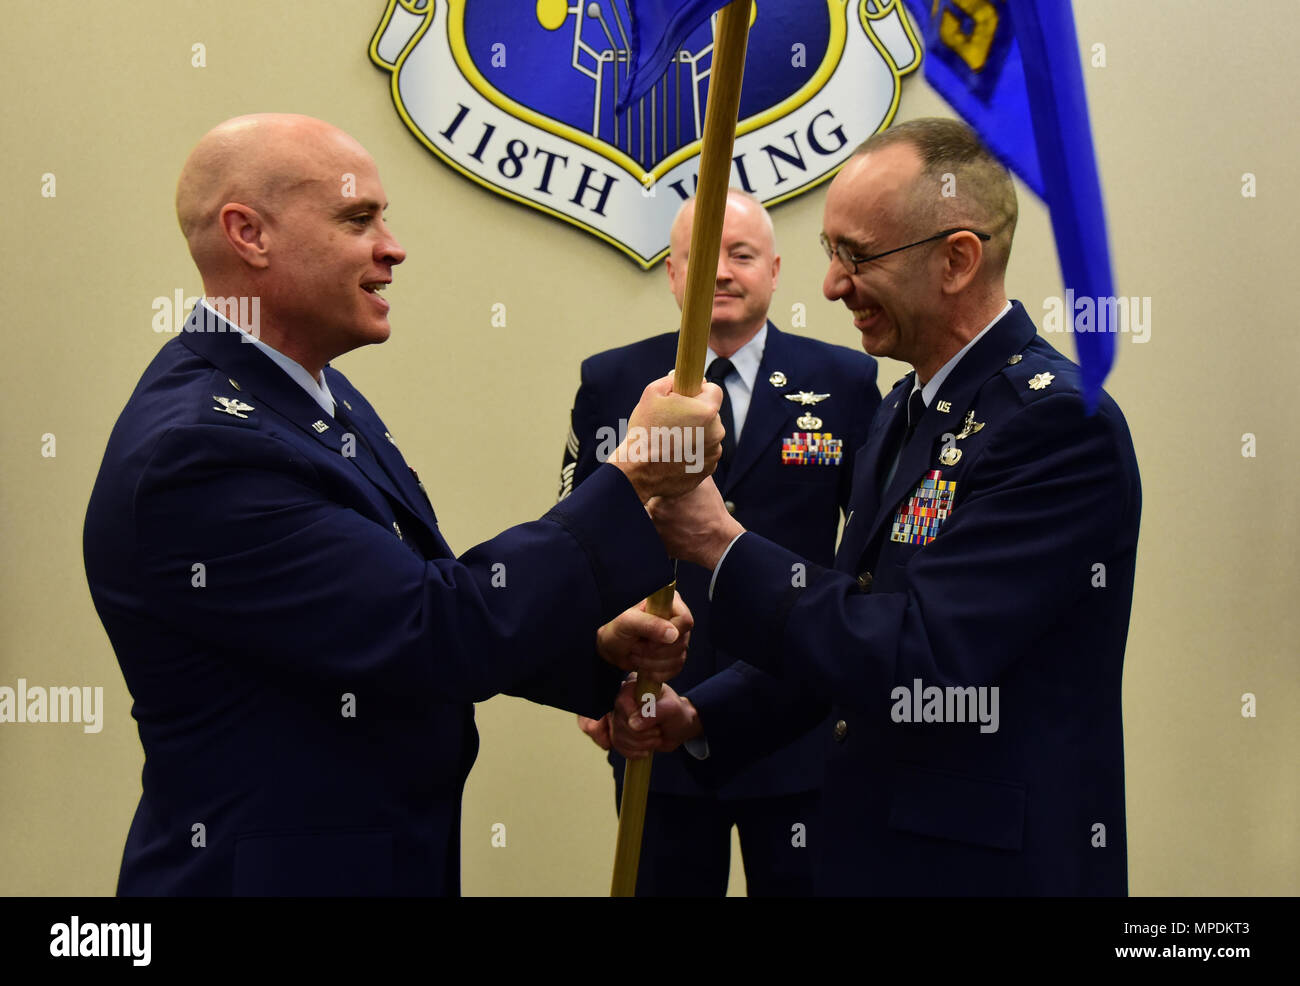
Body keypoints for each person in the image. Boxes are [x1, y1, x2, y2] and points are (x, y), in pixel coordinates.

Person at [82, 113, 722, 896]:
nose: (393, 248)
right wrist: (634, 474)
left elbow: (380, 617)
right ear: (249, 234)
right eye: (358, 219)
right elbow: (432, 630)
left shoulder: (313, 395)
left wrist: (592, 649)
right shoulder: (201, 449)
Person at [614, 118, 1142, 896]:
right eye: (831, 253)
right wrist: (703, 716)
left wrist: (723, 545)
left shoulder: (1058, 425)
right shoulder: (904, 410)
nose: (832, 285)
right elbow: (853, 624)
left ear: (957, 260)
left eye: (857, 257)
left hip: (981, 873)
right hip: (876, 854)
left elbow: (921, 653)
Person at [559, 190, 880, 895]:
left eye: (743, 255)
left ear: (775, 270)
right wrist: (587, 676)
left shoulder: (846, 381)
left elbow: (866, 553)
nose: (724, 272)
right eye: (705, 257)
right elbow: (577, 542)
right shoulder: (614, 380)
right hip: (655, 712)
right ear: (674, 272)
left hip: (797, 715)